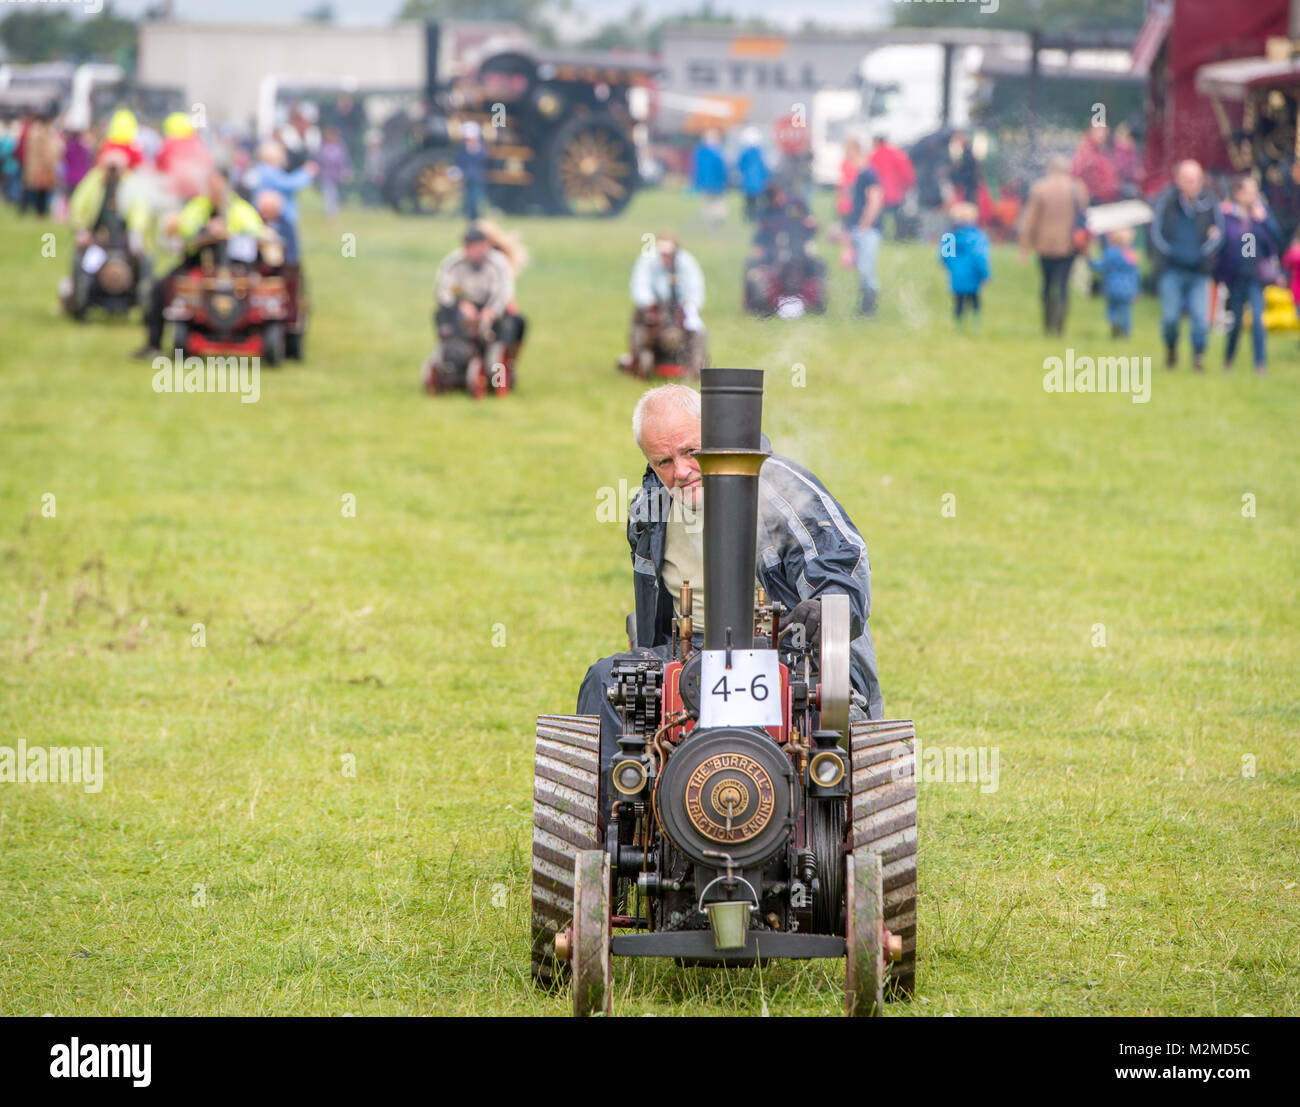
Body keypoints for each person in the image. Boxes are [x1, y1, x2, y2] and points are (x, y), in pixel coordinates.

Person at [575, 384, 884, 794]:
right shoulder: (647, 508)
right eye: (663, 461)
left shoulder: (780, 486)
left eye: (690, 451)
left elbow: (842, 560)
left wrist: (825, 607)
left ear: (718, 435)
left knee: (824, 715)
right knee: (605, 681)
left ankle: (819, 808)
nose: (681, 471)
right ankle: (626, 816)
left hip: (793, 646)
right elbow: (653, 613)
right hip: (693, 650)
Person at [133, 168, 266, 359]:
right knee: (159, 287)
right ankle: (154, 343)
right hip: (198, 265)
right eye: (211, 185)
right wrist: (206, 230)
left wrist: (229, 231)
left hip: (236, 270)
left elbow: (256, 232)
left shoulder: (240, 209)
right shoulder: (198, 206)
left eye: (219, 185)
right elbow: (185, 228)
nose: (215, 190)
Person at [423, 223, 526, 392]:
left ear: (485, 245)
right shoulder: (454, 263)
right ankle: (450, 360)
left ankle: (500, 376)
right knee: (441, 315)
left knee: (511, 324)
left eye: (474, 246)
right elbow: (444, 290)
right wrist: (460, 304)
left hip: (492, 311)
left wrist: (490, 311)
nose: (470, 251)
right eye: (468, 247)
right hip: (462, 311)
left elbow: (503, 293)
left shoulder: (498, 264)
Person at [1149, 159, 1224, 371]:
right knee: (1170, 318)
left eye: (1195, 180)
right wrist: (1172, 254)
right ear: (1178, 180)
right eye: (1187, 180)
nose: (1191, 184)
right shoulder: (1167, 201)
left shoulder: (1210, 203)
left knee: (1201, 318)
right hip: (1171, 269)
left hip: (1199, 271)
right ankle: (1171, 351)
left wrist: (1203, 253)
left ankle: (1198, 357)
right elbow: (1156, 233)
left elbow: (1219, 233)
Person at [1215, 175, 1280, 374]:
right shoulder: (1227, 215)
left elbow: (1276, 239)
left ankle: (1259, 364)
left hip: (1255, 276)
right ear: (1238, 193)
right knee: (1235, 322)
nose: (1252, 196)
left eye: (1255, 192)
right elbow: (1222, 243)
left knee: (1258, 321)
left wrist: (1265, 220)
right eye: (1248, 191)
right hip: (1235, 275)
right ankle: (1229, 359)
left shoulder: (1260, 215)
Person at [1018, 155, 1088, 335]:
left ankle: (1047, 325)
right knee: (1063, 284)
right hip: (1069, 244)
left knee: (1047, 283)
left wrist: (1024, 248)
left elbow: (1029, 220)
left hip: (1044, 244)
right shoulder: (1078, 188)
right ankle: (1059, 327)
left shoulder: (1040, 188)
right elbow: (1084, 218)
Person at [621, 233, 708, 376]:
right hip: (655, 306)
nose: (665, 258)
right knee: (641, 326)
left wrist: (689, 306)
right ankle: (637, 359)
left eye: (668, 254)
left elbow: (696, 289)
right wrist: (650, 304)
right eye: (662, 254)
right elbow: (640, 285)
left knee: (698, 332)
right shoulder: (647, 260)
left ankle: (696, 367)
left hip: (680, 308)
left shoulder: (687, 263)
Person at [247, 139, 317, 243]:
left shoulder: (259, 170)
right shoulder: (268, 171)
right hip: (277, 217)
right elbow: (289, 184)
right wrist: (306, 173)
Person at [939, 201, 990, 329]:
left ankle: (959, 326)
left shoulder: (949, 236)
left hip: (956, 275)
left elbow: (945, 256)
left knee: (959, 301)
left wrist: (950, 268)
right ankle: (975, 325)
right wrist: (985, 274)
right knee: (974, 300)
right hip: (974, 275)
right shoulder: (977, 236)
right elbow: (980, 257)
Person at [848, 151, 885, 316]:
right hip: (862, 227)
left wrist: (865, 223)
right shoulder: (862, 175)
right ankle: (863, 308)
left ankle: (869, 310)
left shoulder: (869, 175)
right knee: (862, 269)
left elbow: (875, 200)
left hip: (868, 229)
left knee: (866, 269)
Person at [1090, 226, 1141, 338]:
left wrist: (1090, 261)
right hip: (1128, 289)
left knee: (1112, 309)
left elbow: (1101, 266)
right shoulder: (1131, 255)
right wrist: (1137, 290)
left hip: (1112, 288)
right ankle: (1126, 331)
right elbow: (1137, 274)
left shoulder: (1110, 253)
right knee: (1126, 312)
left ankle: (1114, 323)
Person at [869, 133, 916, 240]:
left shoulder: (874, 155)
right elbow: (907, 172)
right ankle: (899, 236)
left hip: (881, 192)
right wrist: (907, 186)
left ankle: (879, 235)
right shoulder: (897, 153)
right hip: (896, 192)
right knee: (898, 216)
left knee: (879, 217)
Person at [18, 112, 63, 216]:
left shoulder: (33, 132)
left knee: (32, 189)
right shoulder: (42, 134)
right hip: (42, 166)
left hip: (34, 165)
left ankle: (26, 210)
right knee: (40, 190)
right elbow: (48, 152)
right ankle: (39, 211)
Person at [1071, 123, 1120, 205]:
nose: (1103, 133)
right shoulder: (1085, 152)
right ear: (1090, 131)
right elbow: (1077, 177)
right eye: (1099, 129)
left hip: (1107, 201)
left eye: (1104, 130)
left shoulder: (1098, 151)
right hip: (1095, 203)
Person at [691, 128, 728, 227]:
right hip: (716, 181)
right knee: (718, 201)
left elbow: (697, 168)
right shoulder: (717, 153)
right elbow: (721, 168)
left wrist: (697, 181)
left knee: (707, 200)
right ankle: (717, 218)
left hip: (705, 181)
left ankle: (707, 218)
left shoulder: (701, 153)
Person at [316, 126, 352, 221]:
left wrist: (345, 172)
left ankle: (334, 213)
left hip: (337, 176)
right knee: (329, 195)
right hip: (326, 176)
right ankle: (330, 215)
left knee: (335, 195)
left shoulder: (340, 148)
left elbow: (344, 161)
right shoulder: (323, 147)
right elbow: (320, 161)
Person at [456, 120, 487, 221]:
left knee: (476, 198)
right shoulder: (463, 148)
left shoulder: (480, 148)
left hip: (477, 177)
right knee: (468, 198)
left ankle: (476, 216)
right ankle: (469, 216)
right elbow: (460, 162)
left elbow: (482, 160)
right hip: (468, 177)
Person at [736, 127, 769, 222]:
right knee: (757, 200)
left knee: (749, 201)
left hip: (748, 181)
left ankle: (750, 217)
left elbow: (740, 166)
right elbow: (764, 167)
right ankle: (755, 216)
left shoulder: (744, 152)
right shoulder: (760, 152)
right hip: (758, 181)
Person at [1112, 122, 1143, 200]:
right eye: (1127, 137)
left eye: (1130, 137)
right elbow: (1122, 171)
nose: (1129, 140)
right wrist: (1136, 174)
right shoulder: (1116, 152)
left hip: (1133, 184)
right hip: (1121, 185)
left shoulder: (1133, 151)